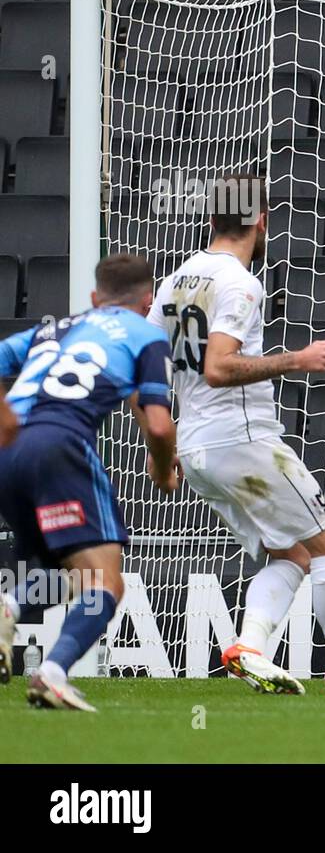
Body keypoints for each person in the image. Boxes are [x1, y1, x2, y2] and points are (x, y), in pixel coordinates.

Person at [149, 173, 325, 696]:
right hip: (242, 442)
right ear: (261, 220)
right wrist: (296, 359)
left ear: (212, 219)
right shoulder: (240, 283)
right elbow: (218, 368)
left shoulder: (176, 280)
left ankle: (248, 649)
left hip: (200, 446)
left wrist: (175, 435)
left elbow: (163, 366)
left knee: (292, 554)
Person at [0, 254, 178, 711]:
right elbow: (159, 425)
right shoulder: (147, 335)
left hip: (7, 451)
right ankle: (53, 672)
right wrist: (161, 469)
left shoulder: (52, 329)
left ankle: (9, 608)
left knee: (63, 567)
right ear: (147, 300)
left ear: (95, 299)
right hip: (61, 444)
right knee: (105, 581)